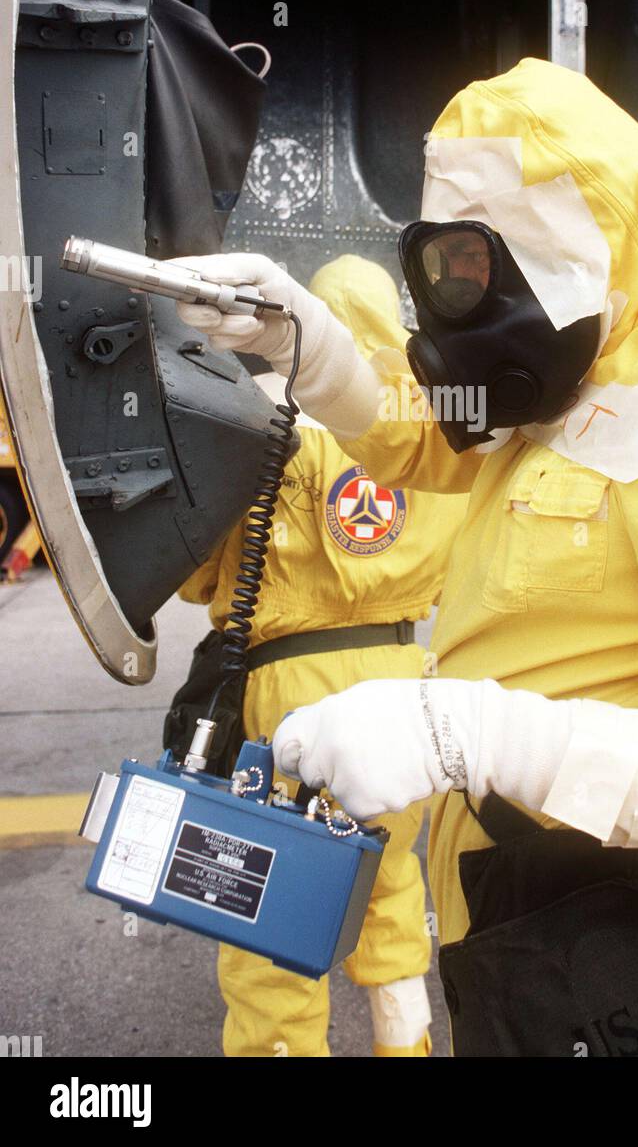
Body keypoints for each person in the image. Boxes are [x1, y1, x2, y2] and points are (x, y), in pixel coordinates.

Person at [175, 59, 638, 1055]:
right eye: (446, 271)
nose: (461, 306)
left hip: (631, 948)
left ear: (568, 249)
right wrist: (306, 344)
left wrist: (466, 734)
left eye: (481, 269)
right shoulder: (580, 349)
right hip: (528, 928)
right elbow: (432, 436)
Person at [178, 254, 468, 1058]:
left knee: (269, 899)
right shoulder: (425, 439)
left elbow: (198, 572)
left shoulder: (262, 435)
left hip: (288, 690)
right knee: (386, 879)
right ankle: (404, 1047)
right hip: (403, 688)